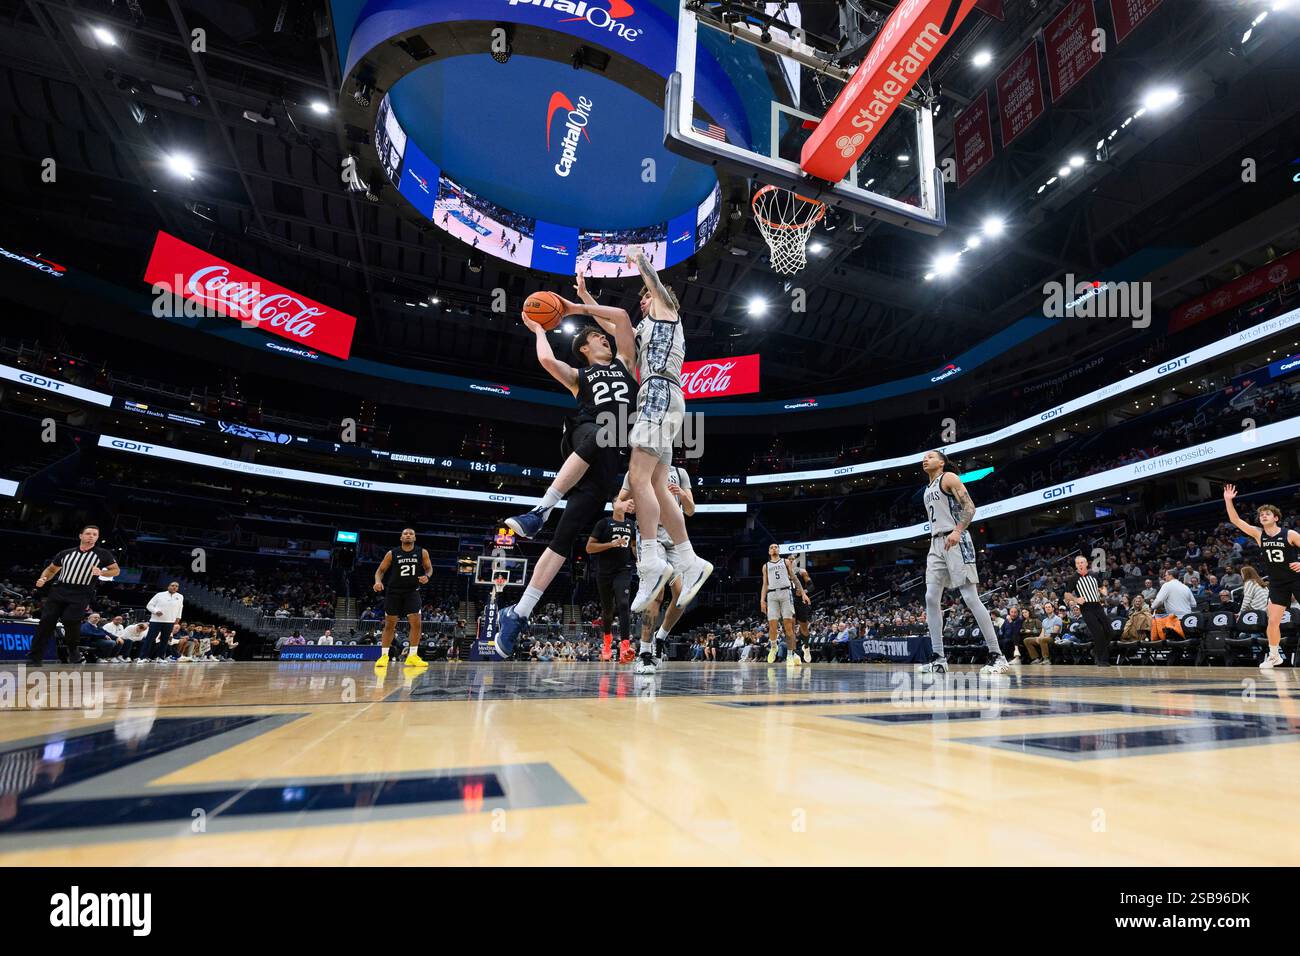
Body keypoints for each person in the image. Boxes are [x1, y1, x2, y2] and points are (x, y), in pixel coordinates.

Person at [494, 306, 636, 660]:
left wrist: (585, 298)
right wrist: (538, 329)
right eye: (596, 337)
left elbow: (621, 321)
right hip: (584, 434)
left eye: (605, 337)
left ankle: (518, 614)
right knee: (603, 429)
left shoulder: (625, 364)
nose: (604, 338)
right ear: (585, 349)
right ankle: (540, 511)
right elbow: (546, 360)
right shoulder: (579, 376)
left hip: (606, 461)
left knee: (565, 537)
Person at [915, 451, 1011, 675]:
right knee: (930, 597)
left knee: (969, 596)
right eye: (924, 457)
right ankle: (938, 658)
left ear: (941, 462)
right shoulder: (927, 490)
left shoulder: (948, 478)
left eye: (930, 456)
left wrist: (958, 530)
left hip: (956, 539)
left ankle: (998, 655)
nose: (925, 459)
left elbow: (970, 508)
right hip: (936, 543)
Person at [1223, 484, 1300, 668]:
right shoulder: (1259, 535)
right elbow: (1235, 520)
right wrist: (1228, 500)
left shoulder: (1289, 534)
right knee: (1272, 621)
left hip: (1296, 579)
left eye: (1267, 513)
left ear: (1276, 517)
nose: (1263, 515)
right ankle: (1275, 656)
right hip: (1277, 583)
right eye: (1261, 514)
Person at [30, 525, 120, 666]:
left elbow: (115, 571)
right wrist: (43, 579)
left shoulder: (103, 554)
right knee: (46, 623)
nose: (91, 536)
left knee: (70, 620)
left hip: (82, 592)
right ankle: (34, 657)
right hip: (59, 590)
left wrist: (102, 573)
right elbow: (51, 569)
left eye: (95, 534)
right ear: (81, 536)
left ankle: (73, 650)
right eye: (88, 533)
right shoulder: (66, 553)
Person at [372, 528, 433, 670]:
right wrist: (377, 581)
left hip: (412, 591)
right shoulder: (392, 553)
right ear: (401, 538)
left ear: (415, 538)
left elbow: (429, 568)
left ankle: (412, 656)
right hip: (393, 592)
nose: (408, 535)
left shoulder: (422, 552)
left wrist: (427, 577)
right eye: (405, 534)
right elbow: (380, 571)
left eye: (411, 534)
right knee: (389, 625)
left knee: (416, 623)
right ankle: (384, 656)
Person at [586, 498, 635, 663]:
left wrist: (641, 559)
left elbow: (634, 546)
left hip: (624, 570)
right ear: (614, 505)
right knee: (608, 610)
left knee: (623, 604)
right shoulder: (604, 523)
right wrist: (611, 544)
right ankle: (607, 642)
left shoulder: (631, 524)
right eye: (622, 500)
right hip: (604, 572)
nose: (627, 503)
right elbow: (589, 547)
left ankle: (625, 647)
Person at [759, 543, 810, 670]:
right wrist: (762, 600)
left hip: (786, 593)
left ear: (779, 550)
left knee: (789, 627)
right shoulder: (765, 566)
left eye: (776, 547)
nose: (774, 548)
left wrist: (803, 593)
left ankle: (790, 655)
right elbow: (765, 584)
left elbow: (794, 578)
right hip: (772, 595)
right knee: (772, 626)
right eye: (771, 547)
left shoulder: (786, 562)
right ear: (769, 551)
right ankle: (774, 646)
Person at [1063, 555, 1112, 666]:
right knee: (1098, 634)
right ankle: (1101, 659)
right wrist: (1076, 599)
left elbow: (1101, 587)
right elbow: (1066, 595)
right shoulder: (1073, 578)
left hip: (1098, 606)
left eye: (1082, 562)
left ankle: (1094, 651)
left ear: (1086, 564)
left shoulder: (1094, 575)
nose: (1080, 564)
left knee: (1109, 631)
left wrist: (1104, 591)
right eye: (1078, 563)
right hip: (1086, 608)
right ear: (1076, 565)